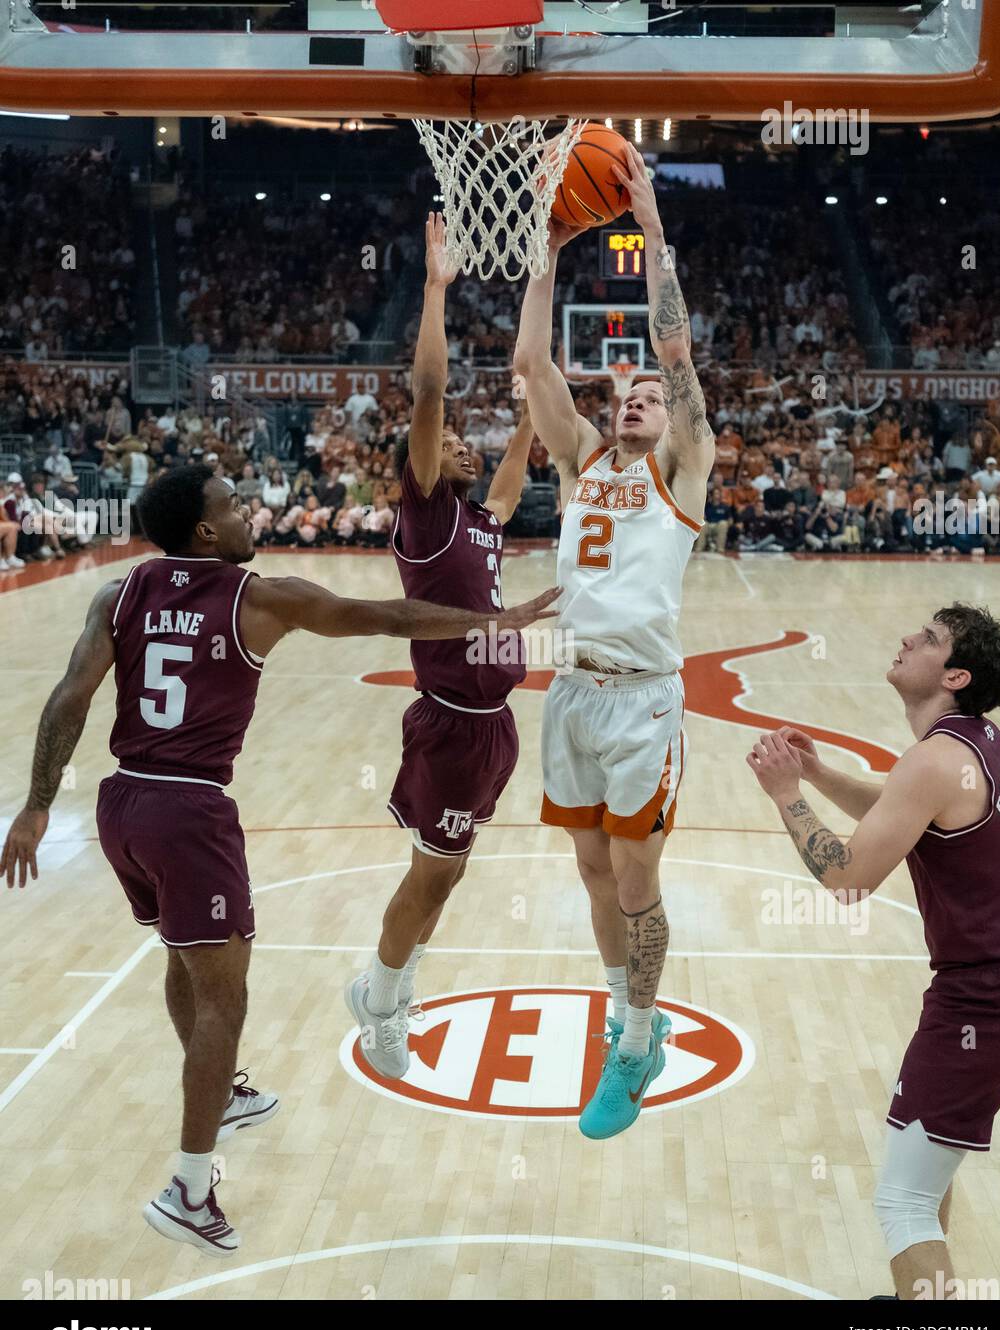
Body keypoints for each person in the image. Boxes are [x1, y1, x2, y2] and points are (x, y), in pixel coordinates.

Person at [1, 463, 558, 1258]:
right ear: (204, 530)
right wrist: (496, 619)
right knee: (225, 998)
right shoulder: (258, 596)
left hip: (122, 804)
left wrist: (35, 804)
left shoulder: (118, 594)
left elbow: (68, 697)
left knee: (185, 959)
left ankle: (221, 1093)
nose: (246, 513)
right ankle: (189, 1188)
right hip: (190, 813)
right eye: (231, 506)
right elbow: (388, 617)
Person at [747, 604, 1000, 1302]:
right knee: (926, 1166)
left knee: (902, 1201)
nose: (909, 639)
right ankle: (923, 1302)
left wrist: (786, 794)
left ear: (956, 675)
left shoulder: (936, 758)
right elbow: (902, 809)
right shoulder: (977, 740)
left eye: (930, 640)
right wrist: (817, 775)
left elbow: (848, 878)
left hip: (988, 994)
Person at [514, 143, 714, 1141]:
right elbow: (531, 366)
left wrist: (652, 233)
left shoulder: (683, 464)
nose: (634, 396)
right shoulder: (581, 459)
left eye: (647, 394)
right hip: (570, 695)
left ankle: (639, 1040)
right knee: (593, 878)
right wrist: (547, 251)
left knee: (638, 887)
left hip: (641, 702)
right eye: (622, 391)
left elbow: (674, 353)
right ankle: (619, 1014)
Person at [346, 213, 539, 1080]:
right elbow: (429, 398)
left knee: (447, 874)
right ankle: (380, 1002)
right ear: (420, 464)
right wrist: (434, 292)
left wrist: (535, 405)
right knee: (431, 877)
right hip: (454, 722)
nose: (463, 440)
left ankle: (399, 978)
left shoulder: (480, 520)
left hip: (491, 726)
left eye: (468, 440)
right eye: (449, 441)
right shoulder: (426, 519)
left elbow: (513, 477)